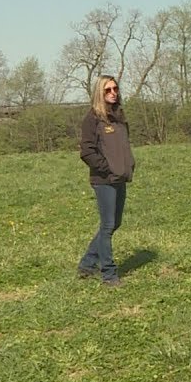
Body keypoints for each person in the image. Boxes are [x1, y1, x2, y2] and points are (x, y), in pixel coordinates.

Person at [77, 74, 135, 287]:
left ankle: (87, 264)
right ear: (99, 93)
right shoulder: (92, 119)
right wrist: (106, 168)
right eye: (108, 90)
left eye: (115, 89)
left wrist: (127, 165)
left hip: (120, 177)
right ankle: (109, 274)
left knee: (114, 223)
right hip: (104, 180)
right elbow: (87, 151)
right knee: (108, 225)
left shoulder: (118, 116)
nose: (113, 93)